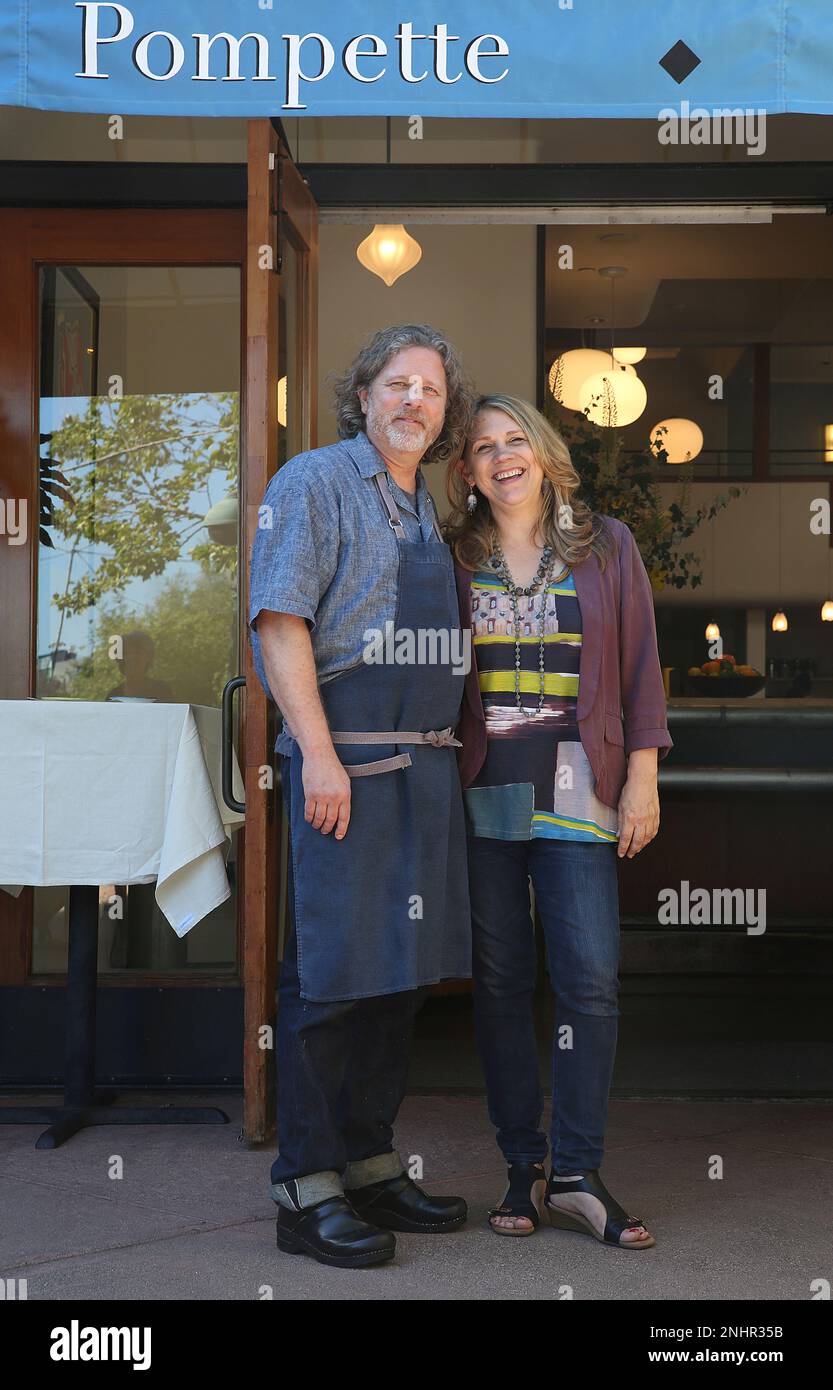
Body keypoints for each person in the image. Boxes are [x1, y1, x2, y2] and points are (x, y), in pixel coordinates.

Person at [248, 324, 476, 1268]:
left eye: (429, 388)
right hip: (343, 761)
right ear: (363, 396)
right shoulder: (314, 482)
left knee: (398, 976)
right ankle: (306, 1189)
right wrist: (319, 754)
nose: (412, 400)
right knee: (330, 978)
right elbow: (279, 621)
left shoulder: (429, 509)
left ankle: (371, 1165)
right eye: (395, 383)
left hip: (420, 768)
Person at [447, 393, 673, 1250]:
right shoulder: (453, 555)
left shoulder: (606, 544)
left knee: (589, 980)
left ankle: (576, 1173)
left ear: (542, 454)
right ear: (465, 470)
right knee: (502, 983)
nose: (501, 457)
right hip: (484, 788)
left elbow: (642, 667)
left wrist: (643, 777)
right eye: (481, 448)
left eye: (515, 442)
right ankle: (519, 1164)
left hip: (582, 783)